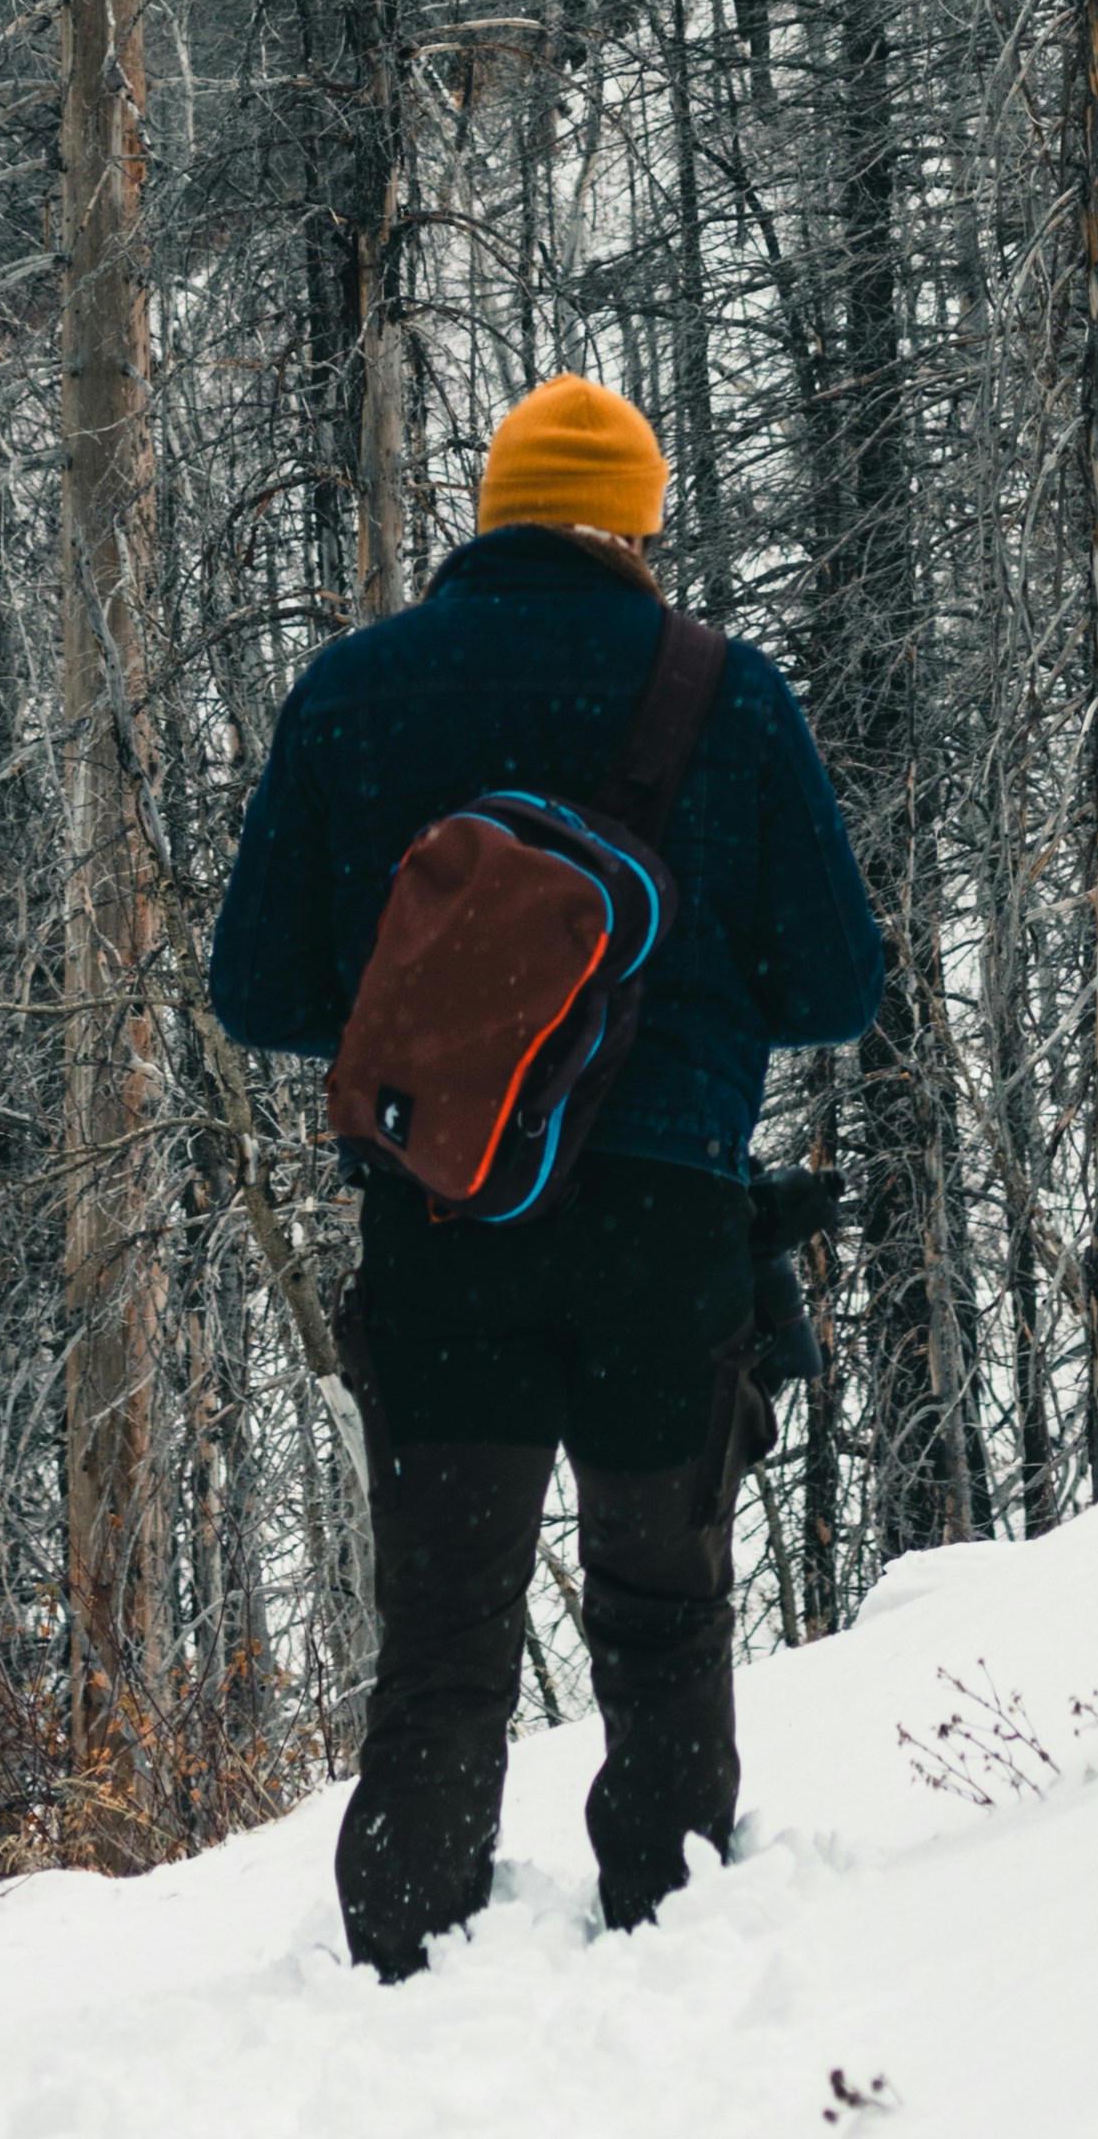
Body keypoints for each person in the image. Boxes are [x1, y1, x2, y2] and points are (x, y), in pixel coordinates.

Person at [209, 373, 885, 1982]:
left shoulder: (354, 692)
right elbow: (836, 983)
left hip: (443, 1219)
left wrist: (433, 1014)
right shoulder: (729, 696)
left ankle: (402, 1954)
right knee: (663, 1601)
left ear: (496, 511)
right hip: (669, 1222)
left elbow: (259, 989)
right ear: (639, 525)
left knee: (446, 1632)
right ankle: (672, 1914)